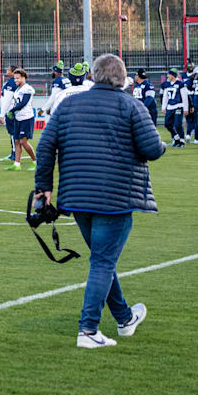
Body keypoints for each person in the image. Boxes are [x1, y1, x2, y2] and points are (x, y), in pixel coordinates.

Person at [33, 53, 164, 349]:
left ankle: (125, 318)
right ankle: (88, 330)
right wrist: (163, 144)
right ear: (122, 78)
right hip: (115, 196)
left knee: (102, 260)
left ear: (93, 75)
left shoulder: (68, 104)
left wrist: (43, 186)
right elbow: (152, 149)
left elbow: (45, 148)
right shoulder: (131, 104)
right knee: (104, 261)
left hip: (76, 196)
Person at [4, 69, 39, 171]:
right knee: (17, 141)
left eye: (18, 78)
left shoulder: (28, 89)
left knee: (23, 142)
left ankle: (36, 162)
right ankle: (17, 164)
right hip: (18, 118)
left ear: (24, 77)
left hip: (26, 118)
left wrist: (12, 110)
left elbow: (23, 103)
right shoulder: (18, 89)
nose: (16, 80)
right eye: (15, 78)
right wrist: (13, 112)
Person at [159, 68, 188, 146]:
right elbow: (165, 97)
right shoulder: (167, 84)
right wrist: (163, 107)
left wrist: (186, 108)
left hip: (178, 105)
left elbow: (184, 97)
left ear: (173, 75)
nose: (168, 75)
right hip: (170, 106)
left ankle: (181, 140)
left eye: (169, 74)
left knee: (177, 124)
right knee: (167, 124)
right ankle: (176, 137)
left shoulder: (180, 84)